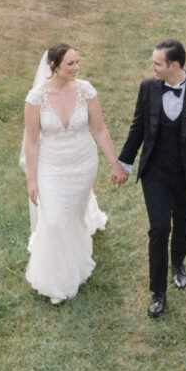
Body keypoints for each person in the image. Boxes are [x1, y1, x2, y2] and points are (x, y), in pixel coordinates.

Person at [113, 39, 186, 317]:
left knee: (183, 217)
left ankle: (178, 264)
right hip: (156, 173)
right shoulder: (148, 88)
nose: (152, 67)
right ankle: (158, 292)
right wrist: (124, 163)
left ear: (174, 65)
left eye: (157, 63)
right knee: (159, 227)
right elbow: (138, 127)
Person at [22, 44, 123, 304]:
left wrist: (115, 163)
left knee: (73, 215)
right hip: (51, 166)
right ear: (53, 66)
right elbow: (32, 141)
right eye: (71, 64)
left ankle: (74, 248)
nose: (77, 68)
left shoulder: (86, 90)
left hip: (82, 162)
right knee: (54, 219)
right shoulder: (35, 98)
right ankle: (56, 281)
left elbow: (99, 129)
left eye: (78, 62)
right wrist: (32, 180)